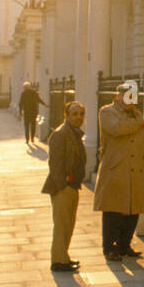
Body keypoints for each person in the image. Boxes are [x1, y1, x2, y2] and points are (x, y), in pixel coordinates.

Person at [93, 83, 144, 261]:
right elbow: (117, 129)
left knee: (132, 210)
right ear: (118, 96)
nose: (129, 99)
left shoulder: (136, 114)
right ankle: (109, 248)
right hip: (117, 169)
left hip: (136, 169)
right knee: (113, 211)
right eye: (125, 95)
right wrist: (138, 122)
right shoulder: (107, 112)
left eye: (132, 96)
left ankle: (124, 245)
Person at [41, 101, 87, 273]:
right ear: (66, 116)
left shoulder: (74, 133)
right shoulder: (61, 134)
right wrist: (63, 185)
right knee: (62, 225)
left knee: (68, 224)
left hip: (72, 185)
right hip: (63, 187)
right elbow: (55, 164)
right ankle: (58, 261)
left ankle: (63, 257)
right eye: (74, 114)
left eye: (81, 114)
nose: (79, 117)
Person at [18, 80, 46, 145]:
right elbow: (38, 99)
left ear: (24, 87)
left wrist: (20, 112)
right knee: (33, 125)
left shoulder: (23, 93)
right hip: (34, 111)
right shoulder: (34, 92)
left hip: (27, 112)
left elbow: (20, 103)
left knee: (26, 126)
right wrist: (44, 104)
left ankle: (27, 139)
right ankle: (32, 138)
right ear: (30, 87)